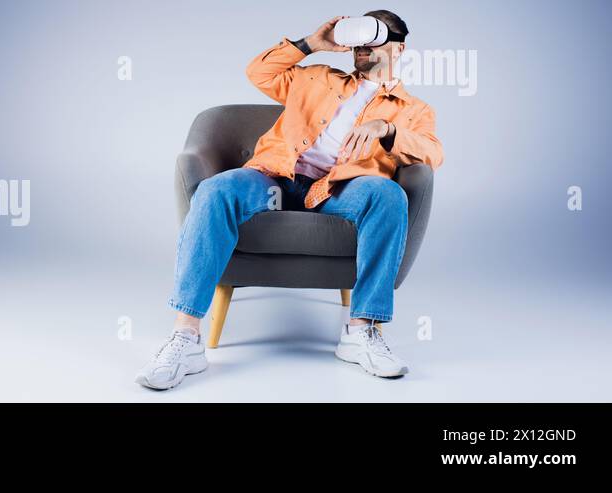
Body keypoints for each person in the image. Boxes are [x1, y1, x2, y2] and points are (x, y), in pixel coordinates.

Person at [136, 10, 444, 390]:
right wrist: (312, 44)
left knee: (389, 195)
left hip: (339, 189)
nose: (363, 47)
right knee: (215, 189)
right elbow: (258, 72)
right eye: (359, 39)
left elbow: (431, 153)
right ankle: (186, 339)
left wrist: (387, 128)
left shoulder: (413, 110)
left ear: (399, 48)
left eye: (375, 38)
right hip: (275, 179)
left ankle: (360, 332)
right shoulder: (316, 77)